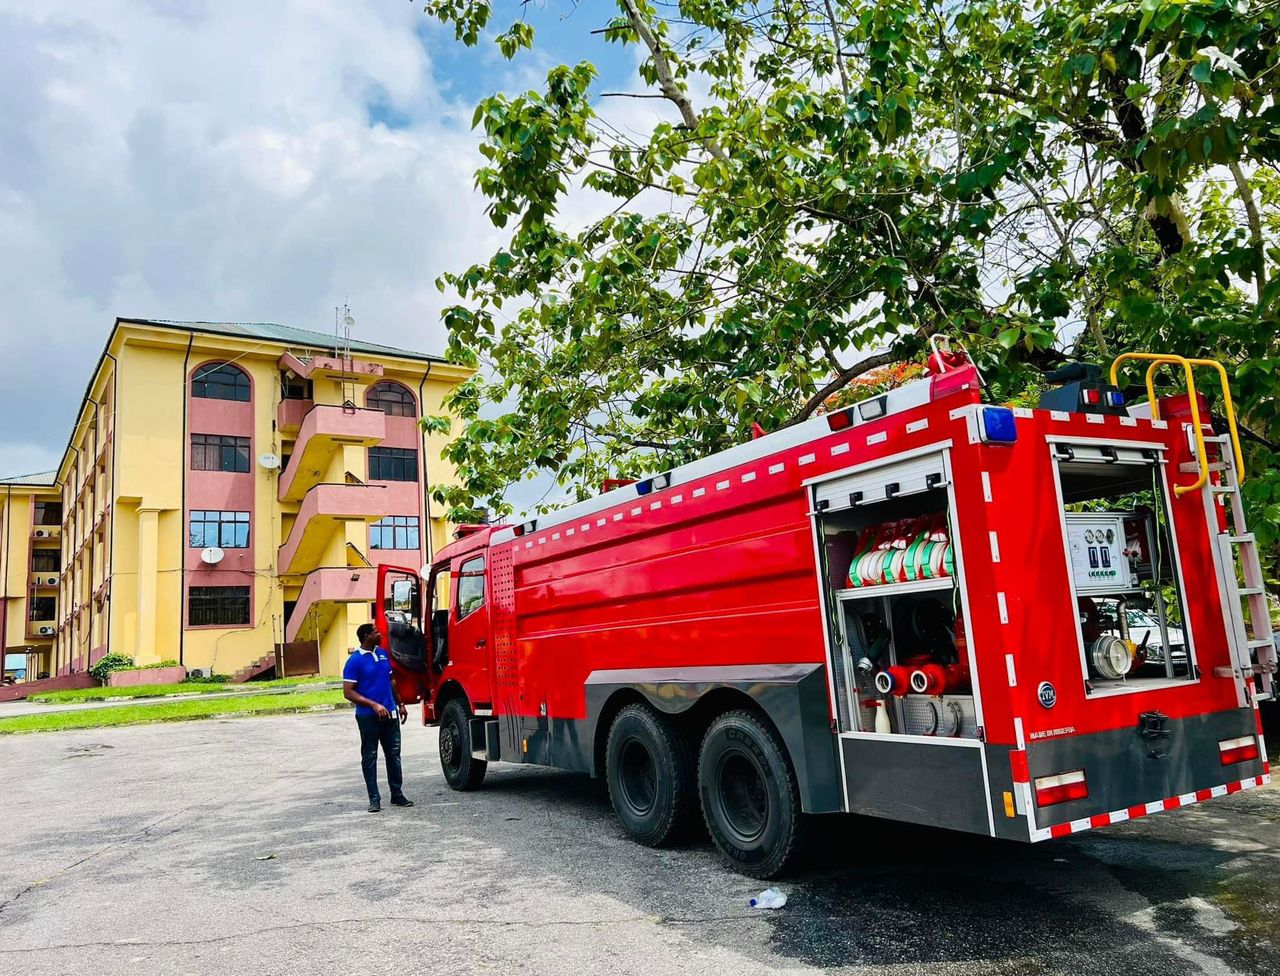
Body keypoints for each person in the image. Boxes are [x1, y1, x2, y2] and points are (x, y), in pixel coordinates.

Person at [342, 623, 414, 813]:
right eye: (375, 632)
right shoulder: (354, 661)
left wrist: (400, 704)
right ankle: (374, 799)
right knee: (370, 756)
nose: (380, 634)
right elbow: (348, 693)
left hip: (390, 713)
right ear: (366, 636)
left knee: (394, 755)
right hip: (368, 717)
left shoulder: (382, 654)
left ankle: (397, 794)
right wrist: (373, 705)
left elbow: (391, 680)